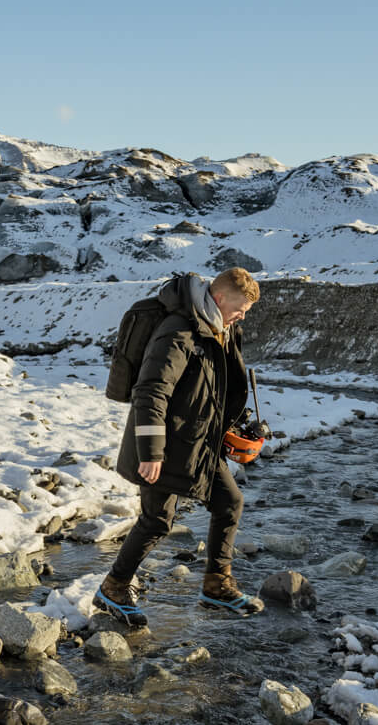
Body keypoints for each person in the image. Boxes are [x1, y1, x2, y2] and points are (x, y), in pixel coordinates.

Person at [94, 267, 265, 627]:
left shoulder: (222, 328)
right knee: (157, 521)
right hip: (168, 444)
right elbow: (150, 391)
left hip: (200, 443)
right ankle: (113, 586)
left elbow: (213, 391)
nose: (244, 315)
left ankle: (216, 585)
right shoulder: (180, 330)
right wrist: (151, 452)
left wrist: (232, 429)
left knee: (229, 502)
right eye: (241, 308)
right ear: (219, 299)